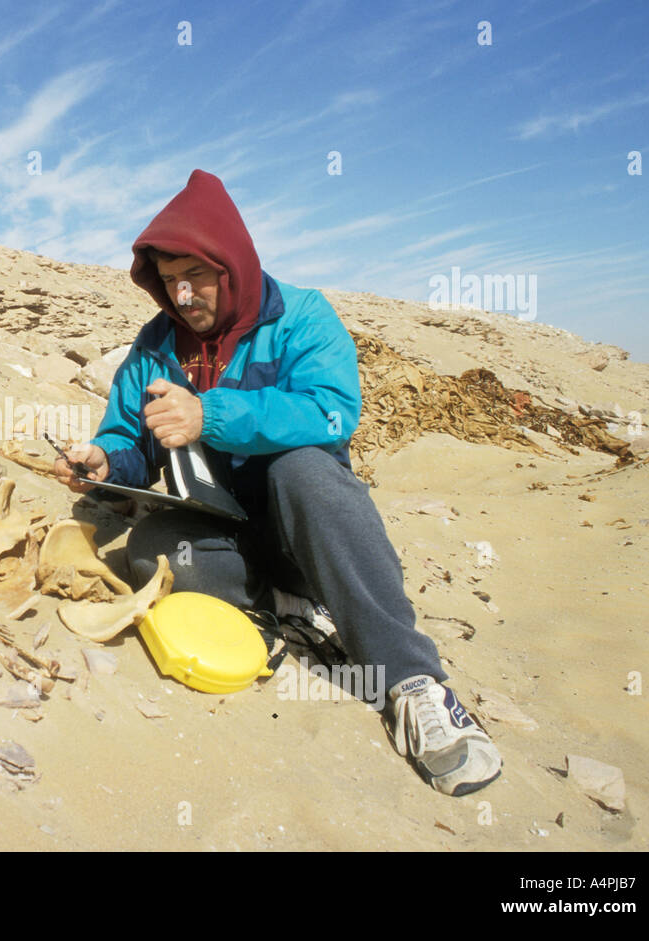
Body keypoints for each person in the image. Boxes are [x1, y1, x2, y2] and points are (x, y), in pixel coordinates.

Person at [53, 169, 501, 797]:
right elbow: (129, 436)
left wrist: (211, 414)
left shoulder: (302, 318)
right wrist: (104, 460)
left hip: (304, 521)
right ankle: (288, 606)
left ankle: (414, 682)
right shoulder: (154, 346)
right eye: (169, 278)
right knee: (153, 548)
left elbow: (333, 410)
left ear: (231, 263)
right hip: (227, 532)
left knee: (307, 471)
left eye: (195, 274)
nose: (181, 295)